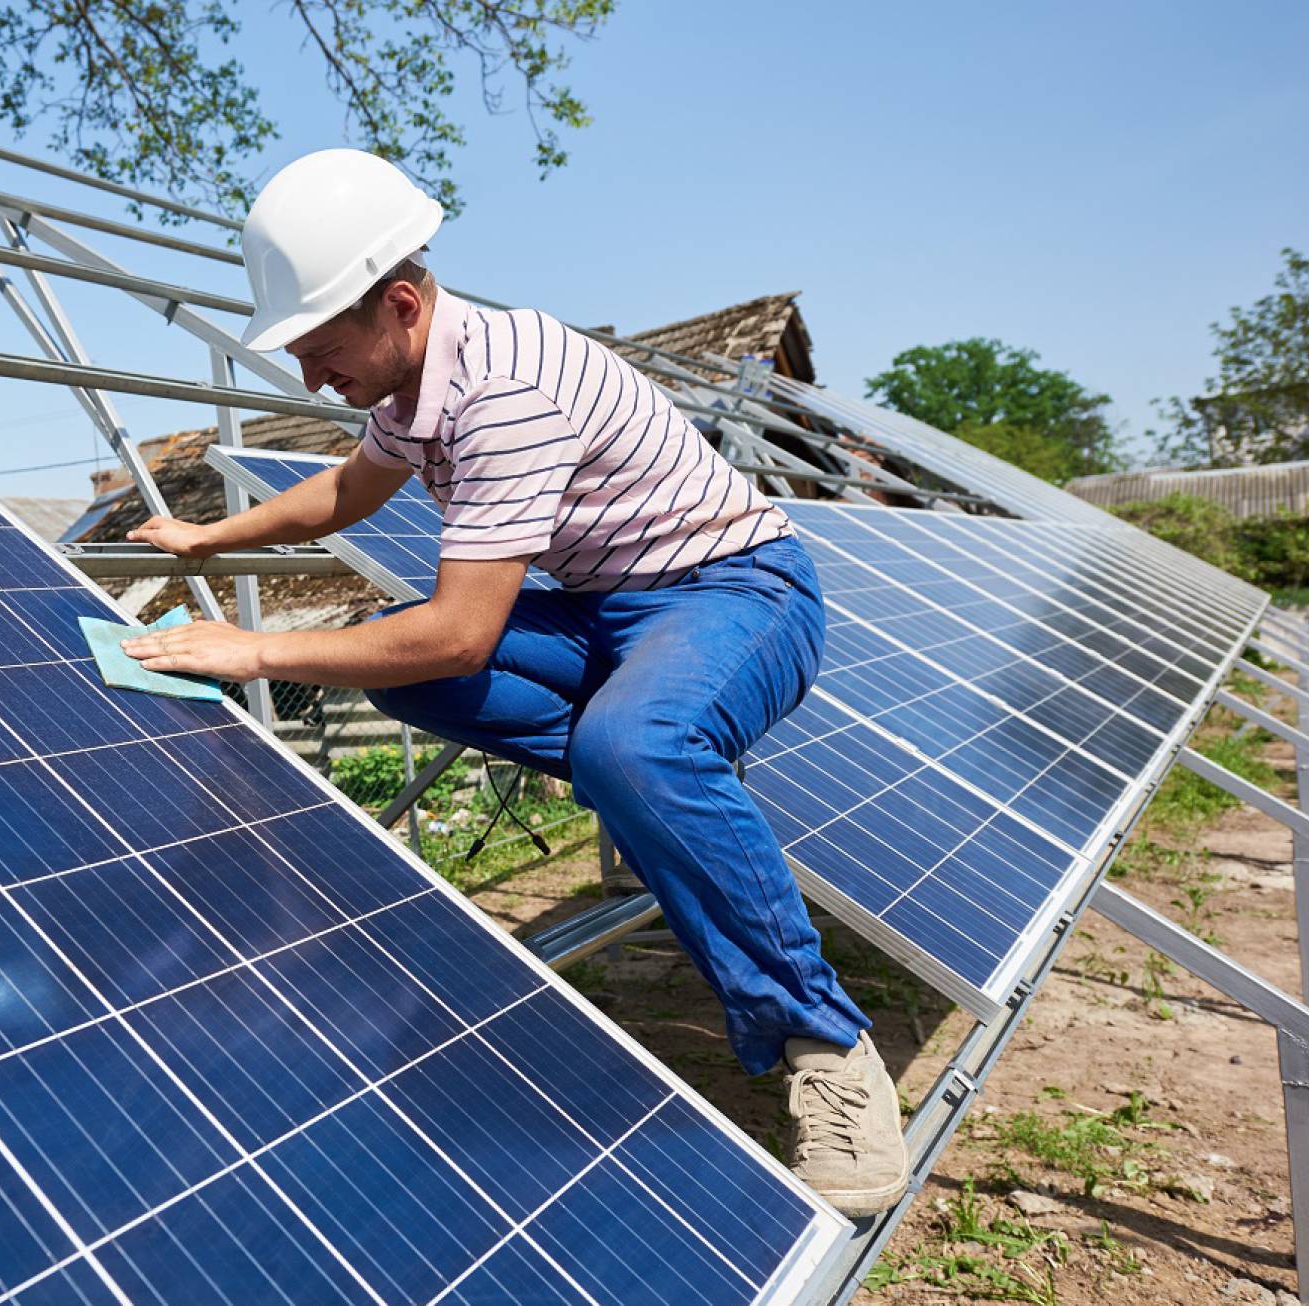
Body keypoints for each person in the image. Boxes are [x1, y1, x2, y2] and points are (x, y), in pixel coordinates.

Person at [120, 148, 909, 1217]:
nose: (310, 381)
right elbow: (348, 489)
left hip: (735, 590)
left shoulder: (506, 392)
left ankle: (825, 1041)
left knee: (617, 740)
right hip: (606, 611)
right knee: (422, 675)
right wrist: (210, 536)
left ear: (400, 304)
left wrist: (252, 651)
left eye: (321, 352)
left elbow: (460, 633)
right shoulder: (417, 380)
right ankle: (651, 768)